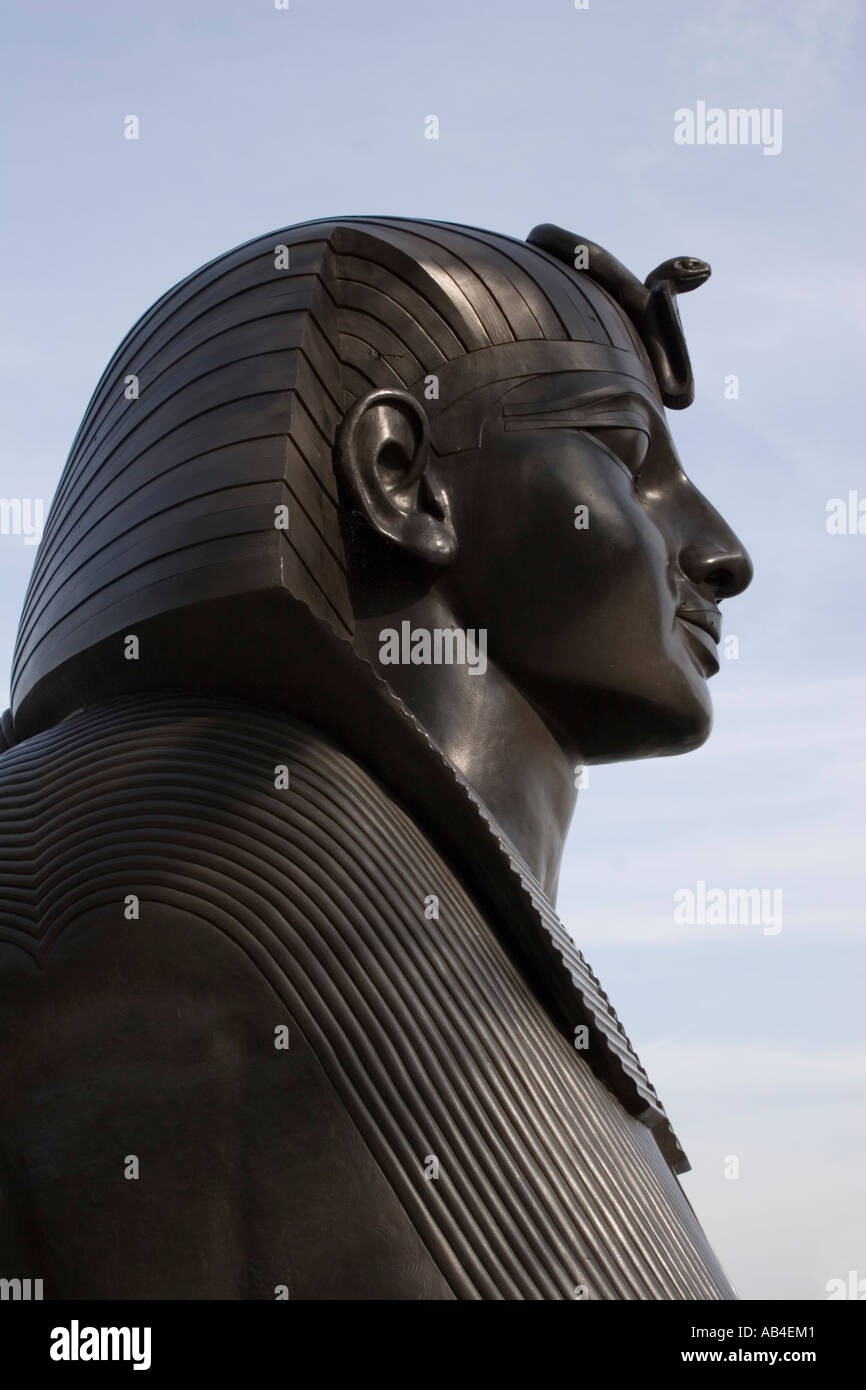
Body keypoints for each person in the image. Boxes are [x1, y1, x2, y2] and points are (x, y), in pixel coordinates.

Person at [0, 218, 751, 1299]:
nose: (721, 553)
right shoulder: (130, 875)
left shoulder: (390, 888)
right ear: (401, 478)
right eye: (626, 460)